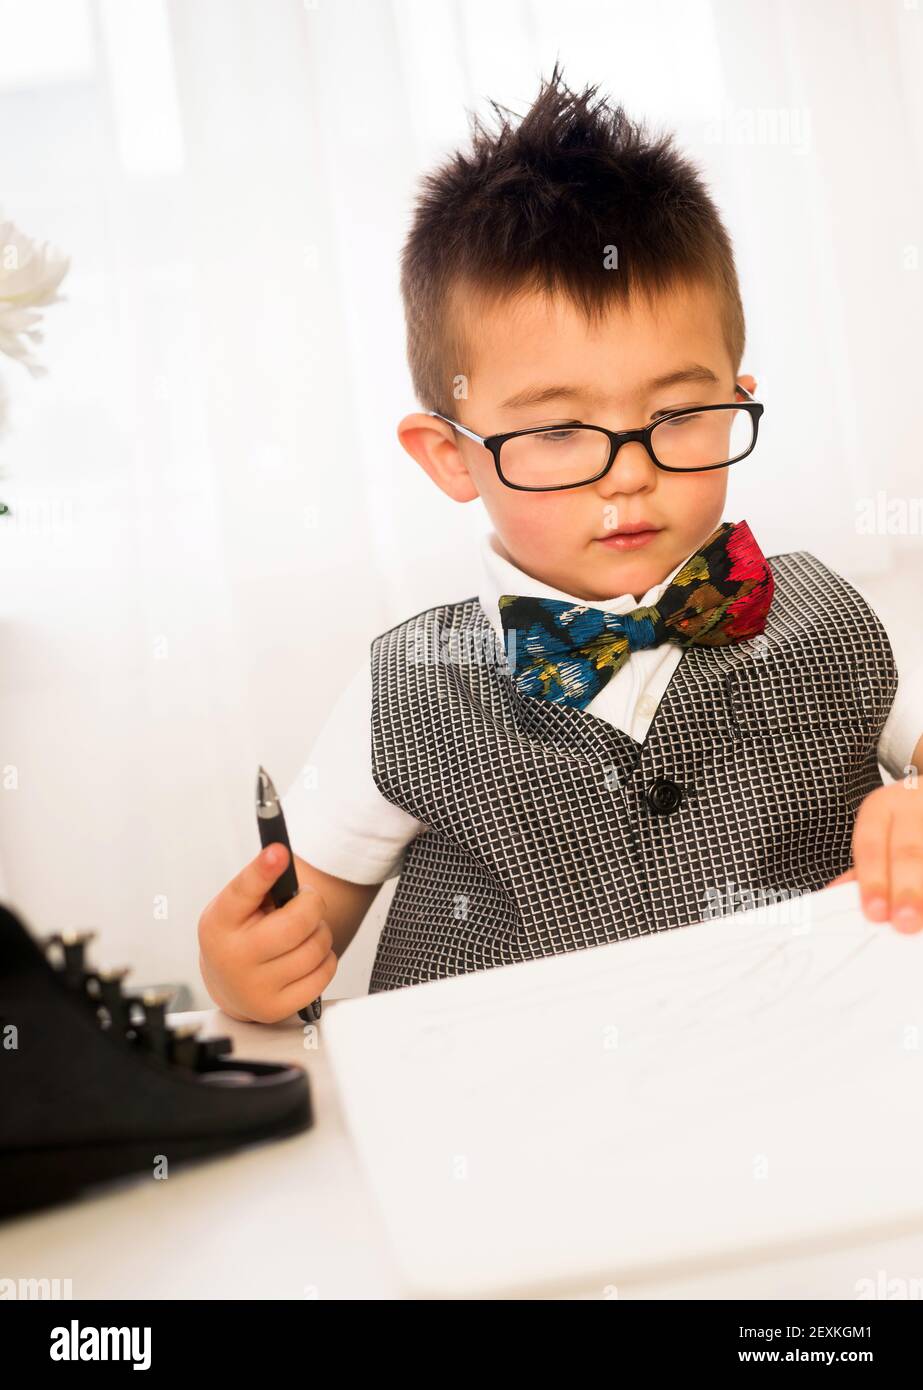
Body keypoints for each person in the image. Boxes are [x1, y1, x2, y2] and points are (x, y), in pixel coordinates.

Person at [199, 64, 923, 1024]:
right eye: (554, 431)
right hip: (502, 1118)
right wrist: (242, 969)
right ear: (450, 456)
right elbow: (305, 925)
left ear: (738, 401)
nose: (628, 474)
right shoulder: (408, 683)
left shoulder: (832, 618)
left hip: (799, 1069)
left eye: (677, 413)